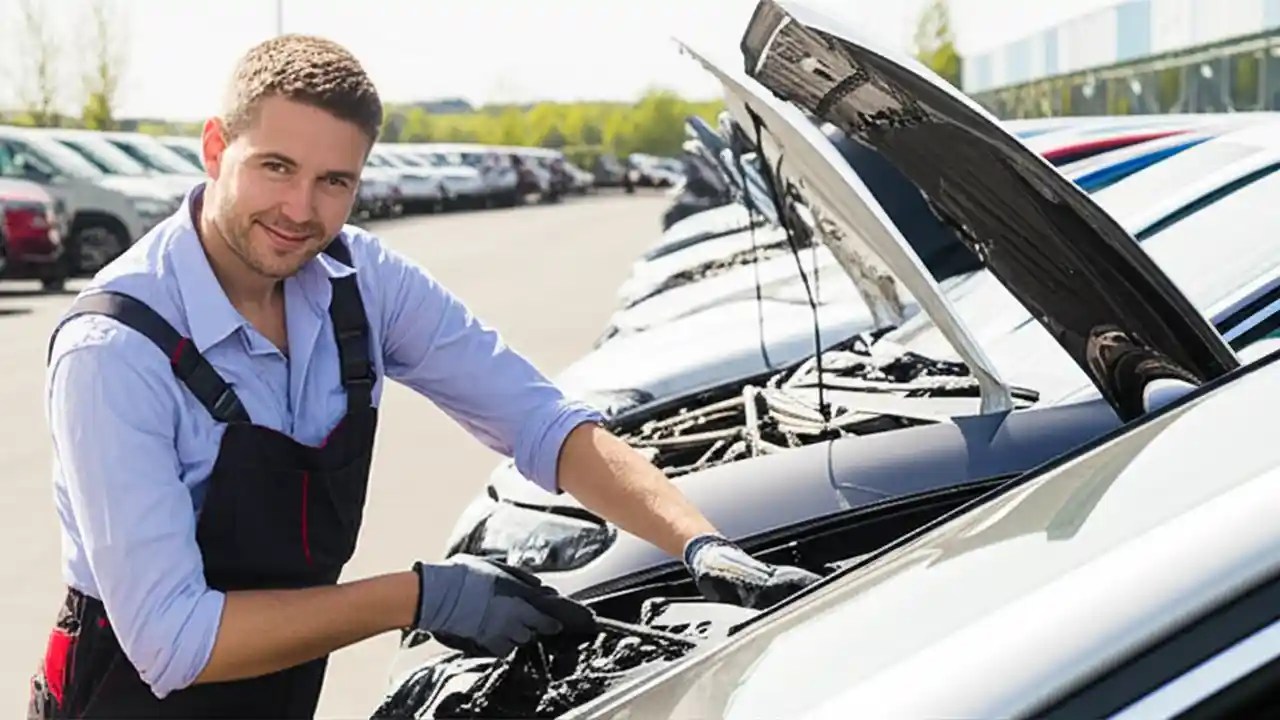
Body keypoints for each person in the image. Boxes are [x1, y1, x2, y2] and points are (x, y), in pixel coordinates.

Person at [28, 34, 819, 719]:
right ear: (213, 149)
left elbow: (541, 420)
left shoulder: (356, 282)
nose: (301, 209)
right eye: (276, 167)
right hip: (128, 699)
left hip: (276, 690)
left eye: (334, 181)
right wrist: (417, 596)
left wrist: (700, 544)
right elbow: (173, 643)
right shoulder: (115, 350)